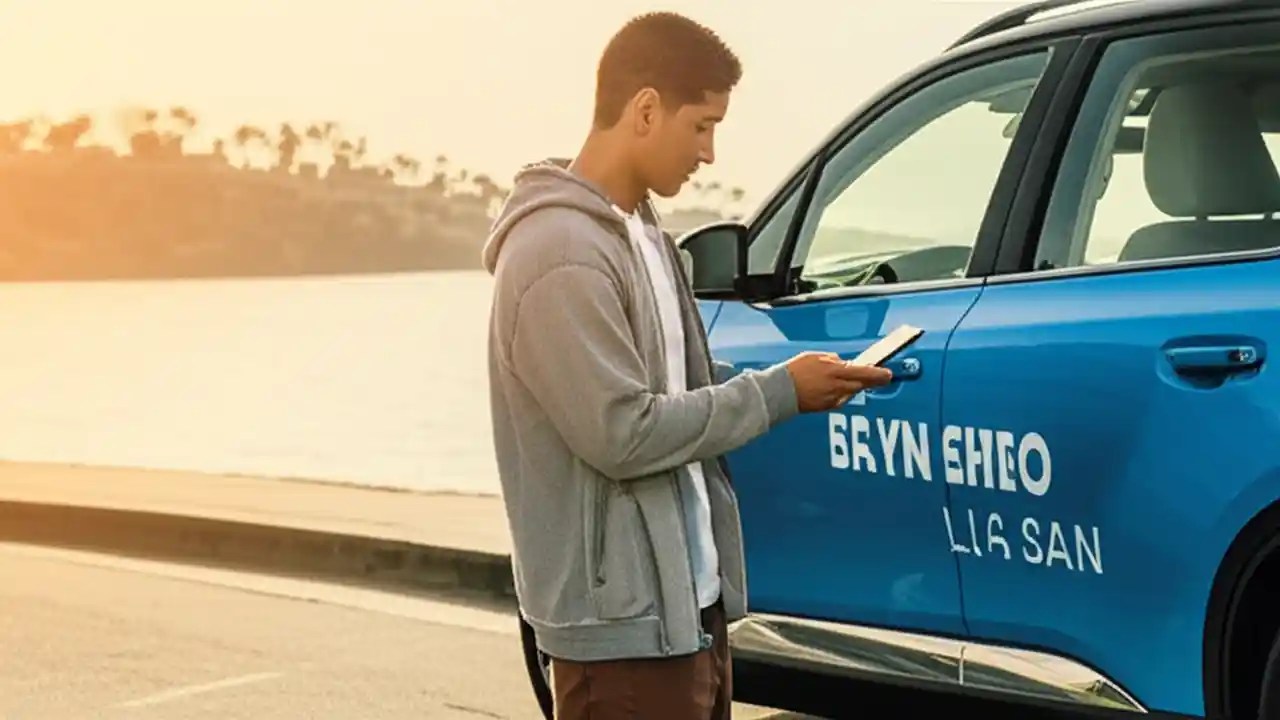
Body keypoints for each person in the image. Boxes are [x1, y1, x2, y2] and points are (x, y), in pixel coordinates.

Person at [481, 11, 893, 719]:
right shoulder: (558, 256)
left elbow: (676, 391)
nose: (708, 153)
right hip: (621, 639)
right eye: (701, 126)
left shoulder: (644, 233)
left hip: (684, 613)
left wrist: (799, 372)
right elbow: (624, 432)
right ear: (645, 110)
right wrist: (777, 394)